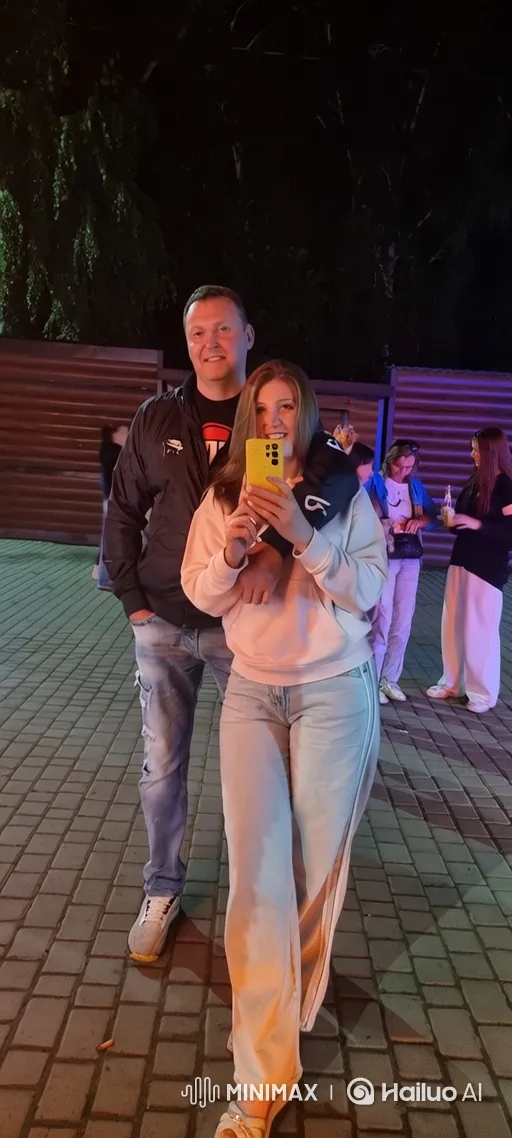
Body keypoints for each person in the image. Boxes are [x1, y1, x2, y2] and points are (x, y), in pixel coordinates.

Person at [102, 284, 361, 963]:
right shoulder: (159, 418)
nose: (210, 344)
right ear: (186, 344)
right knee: (163, 766)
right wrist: (131, 599)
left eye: (223, 330)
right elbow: (121, 511)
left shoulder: (270, 420)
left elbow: (333, 475)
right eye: (197, 334)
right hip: (161, 622)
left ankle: (275, 898)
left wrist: (273, 551)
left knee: (264, 773)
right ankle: (162, 890)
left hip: (238, 632)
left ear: (248, 336)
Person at [180, 359, 386, 1138]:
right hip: (252, 695)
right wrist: (235, 552)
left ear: (305, 414)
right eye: (261, 409)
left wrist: (303, 540)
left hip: (335, 691)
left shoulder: (338, 489)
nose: (273, 421)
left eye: (286, 407)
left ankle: (293, 996)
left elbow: (368, 589)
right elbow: (198, 589)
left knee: (312, 874)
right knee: (257, 880)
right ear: (248, 421)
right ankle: (262, 1075)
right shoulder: (230, 490)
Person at [427, 427, 512, 713]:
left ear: (490, 452)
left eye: (476, 449)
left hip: (486, 568)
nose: (472, 454)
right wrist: (452, 520)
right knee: (452, 624)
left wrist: (477, 525)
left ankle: (482, 693)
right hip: (461, 559)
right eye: (472, 448)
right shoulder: (476, 480)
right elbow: (463, 516)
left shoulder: (506, 486)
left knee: (480, 629)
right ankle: (452, 682)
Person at [365, 440, 437, 704]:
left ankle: (390, 678)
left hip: (410, 557)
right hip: (385, 556)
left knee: (403, 619)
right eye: (399, 464)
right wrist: (387, 525)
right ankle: (372, 679)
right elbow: (360, 511)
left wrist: (419, 521)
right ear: (389, 461)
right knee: (381, 617)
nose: (402, 471)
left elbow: (433, 517)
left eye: (408, 467)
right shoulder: (375, 482)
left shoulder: (415, 485)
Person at [92, 424, 129, 585]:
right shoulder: (113, 454)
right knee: (110, 539)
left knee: (109, 538)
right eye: (123, 432)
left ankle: (101, 571)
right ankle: (103, 575)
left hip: (114, 501)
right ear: (115, 436)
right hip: (114, 502)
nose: (127, 434)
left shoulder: (112, 452)